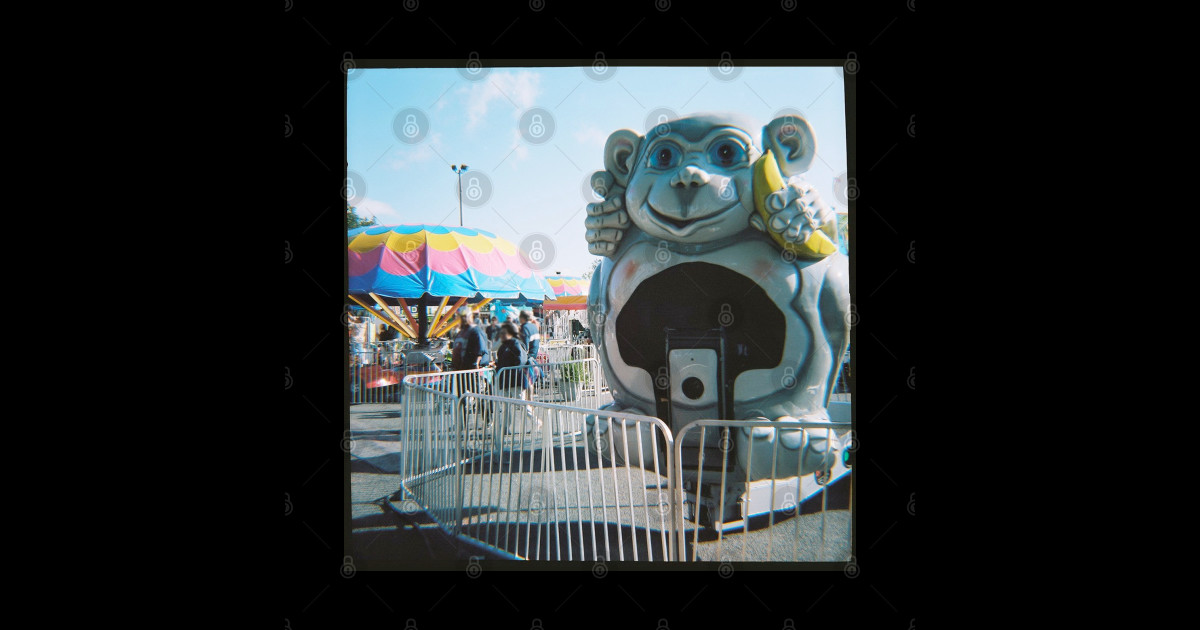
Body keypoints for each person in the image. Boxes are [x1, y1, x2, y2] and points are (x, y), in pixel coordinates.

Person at [494, 321, 538, 433]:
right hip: (504, 380)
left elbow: (521, 361)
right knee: (505, 406)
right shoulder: (503, 346)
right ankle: (505, 428)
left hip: (516, 380)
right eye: (501, 333)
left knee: (522, 404)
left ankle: (536, 422)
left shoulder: (516, 344)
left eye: (503, 333)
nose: (501, 335)